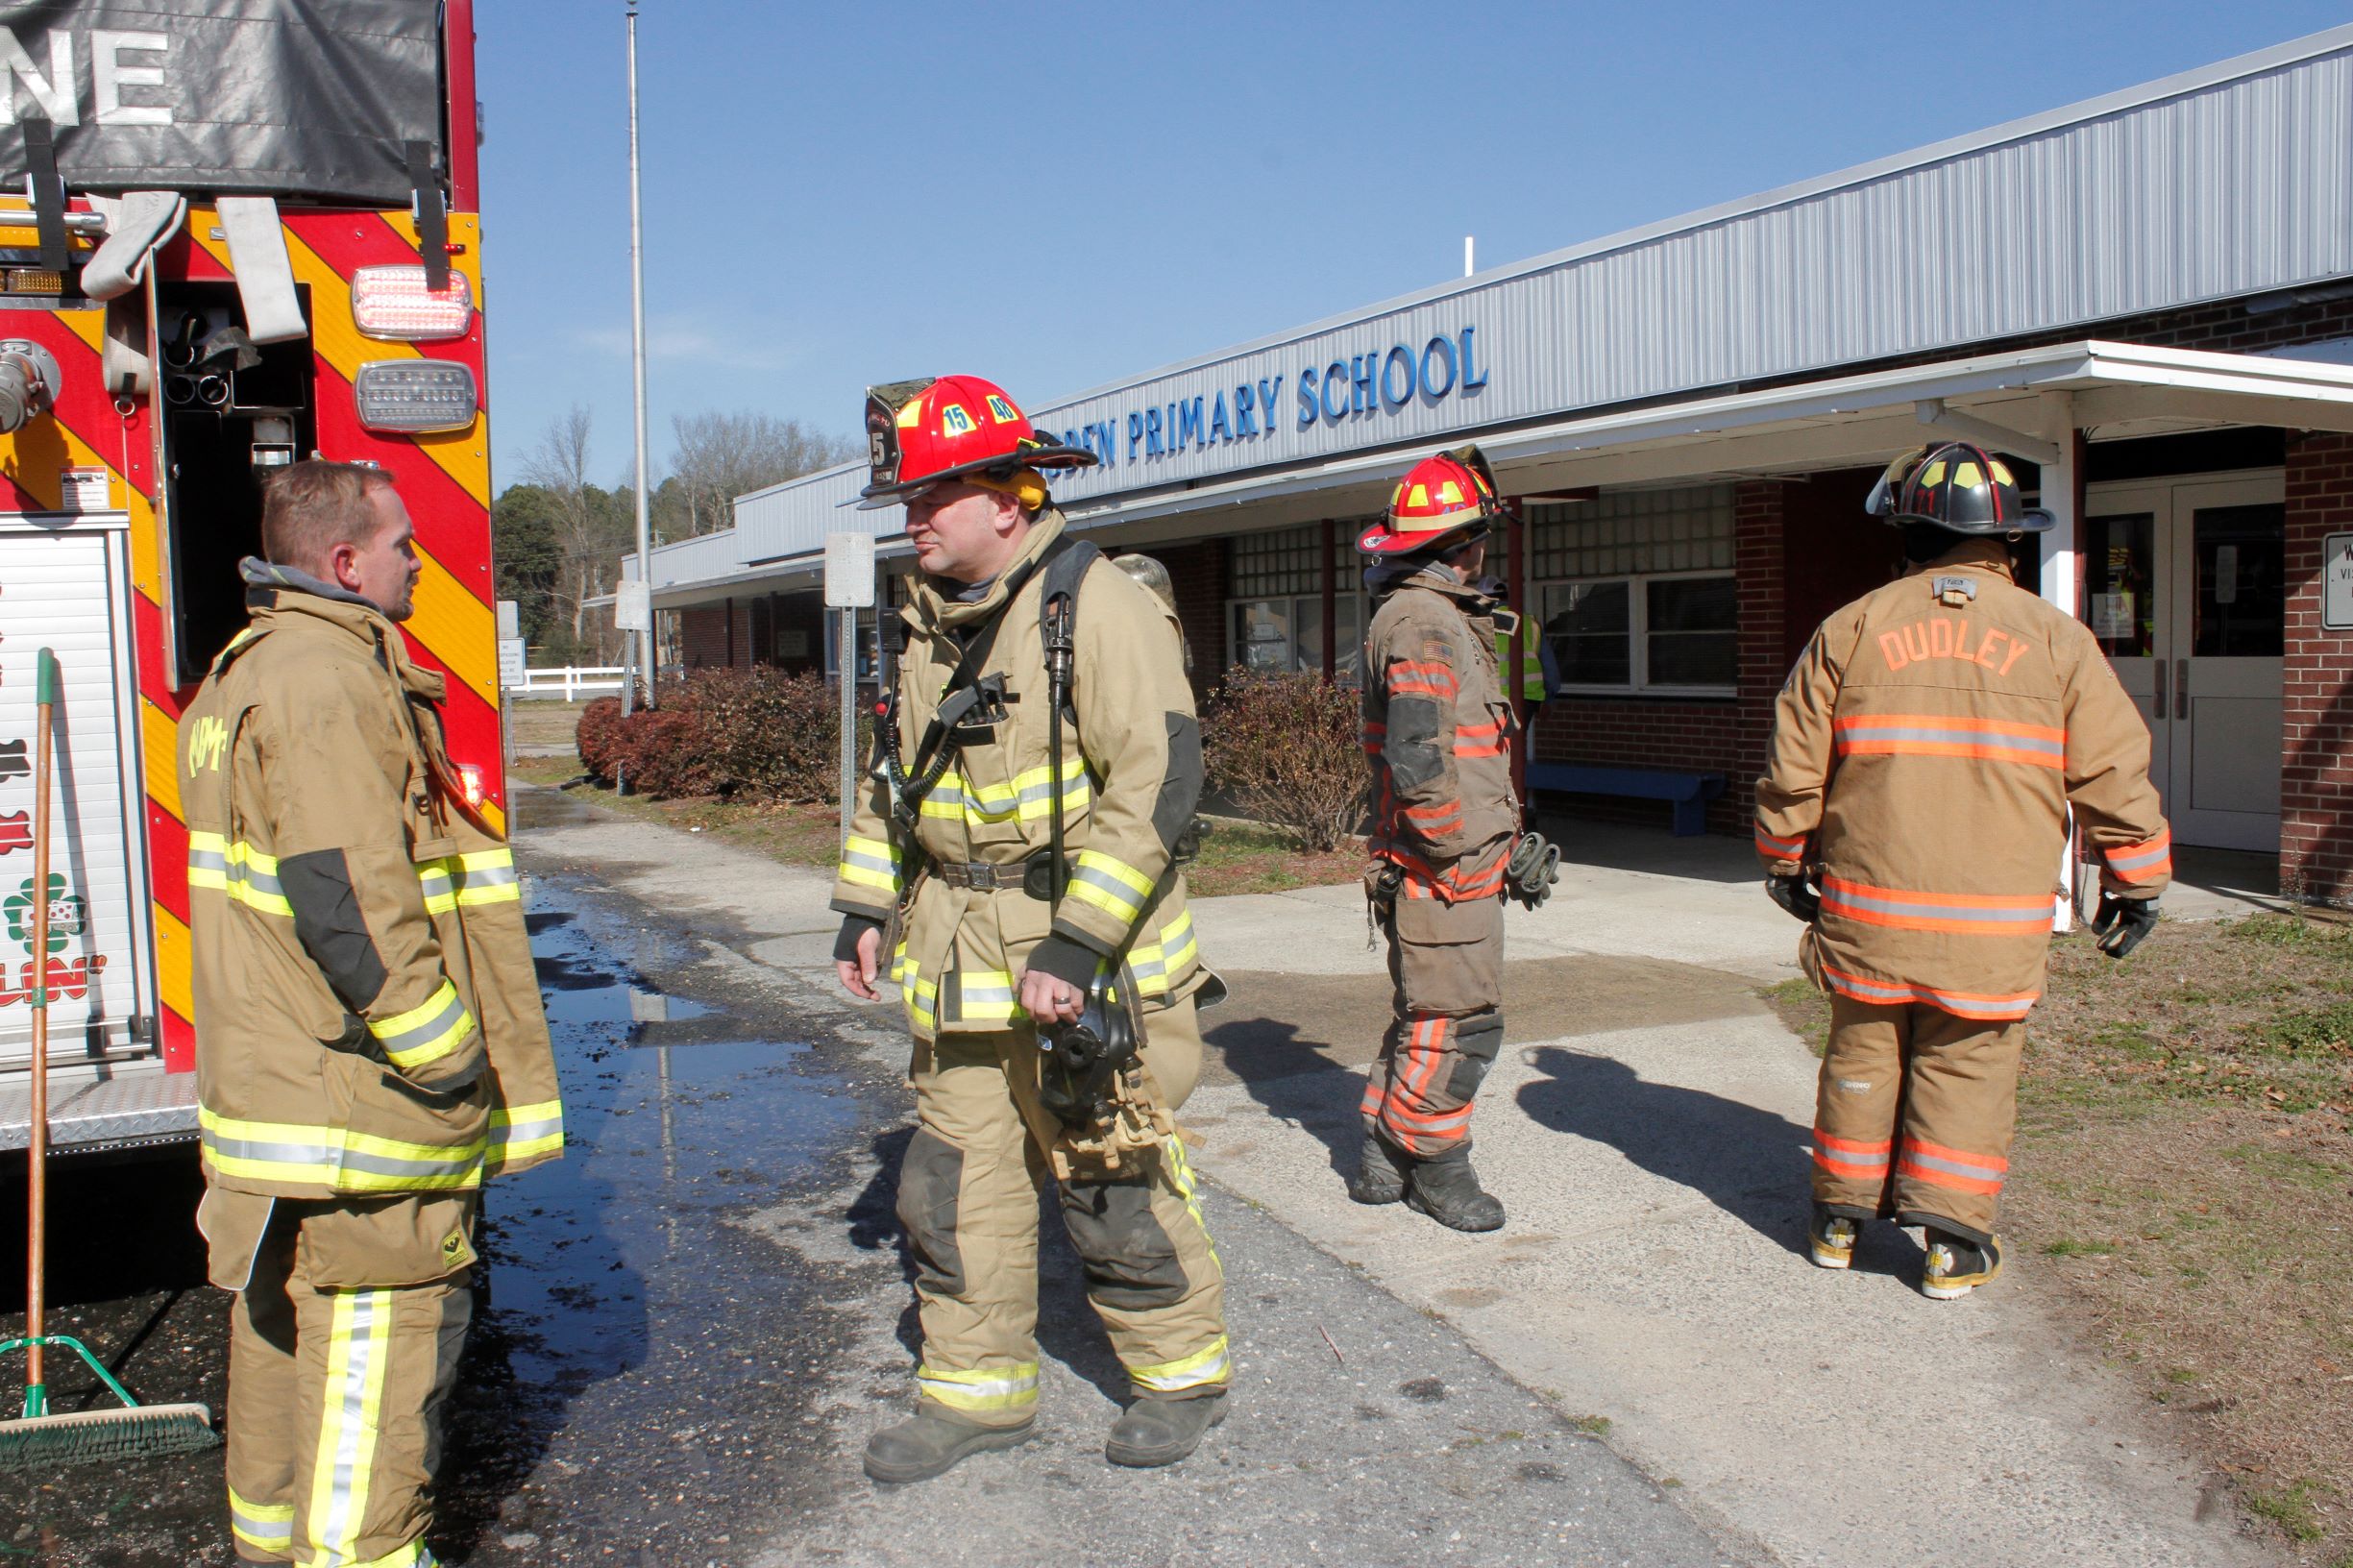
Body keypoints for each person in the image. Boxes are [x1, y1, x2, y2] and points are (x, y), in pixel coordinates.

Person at [831, 376, 1229, 1482]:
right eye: (903, 500)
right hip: (955, 958)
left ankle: (1180, 1372)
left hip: (1077, 965)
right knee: (950, 1186)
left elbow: (1160, 780)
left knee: (1110, 1177)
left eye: (930, 496)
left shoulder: (1097, 603)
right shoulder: (919, 616)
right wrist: (865, 904)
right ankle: (976, 1392)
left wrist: (1078, 945)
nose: (910, 520)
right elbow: (895, 786)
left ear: (1007, 498)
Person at [181, 460, 563, 1567]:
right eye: (401, 544)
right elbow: (344, 890)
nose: (418, 560)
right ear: (344, 562)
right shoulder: (325, 680)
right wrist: (443, 1053)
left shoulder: (244, 672)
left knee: (278, 1335)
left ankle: (274, 1545)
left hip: (284, 1092)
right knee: (376, 1347)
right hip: (361, 1102)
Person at [1755, 441, 2169, 1300]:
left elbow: (1793, 761)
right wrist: (2137, 876)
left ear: (1906, 532)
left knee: (1861, 1053)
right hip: (1991, 926)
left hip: (1867, 911)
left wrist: (1785, 858)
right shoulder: (2056, 640)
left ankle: (1837, 1223)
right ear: (2007, 541)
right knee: (1969, 1064)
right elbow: (2112, 770)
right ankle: (1950, 1245)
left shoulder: (1852, 626)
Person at [1350, 445, 1532, 1232]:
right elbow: (1420, 756)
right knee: (1460, 1020)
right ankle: (1435, 1162)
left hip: (1449, 855)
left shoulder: (1425, 614)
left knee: (1425, 1009)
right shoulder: (1424, 621)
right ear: (1463, 544)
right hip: (1443, 863)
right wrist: (1456, 854)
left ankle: (1379, 1148)